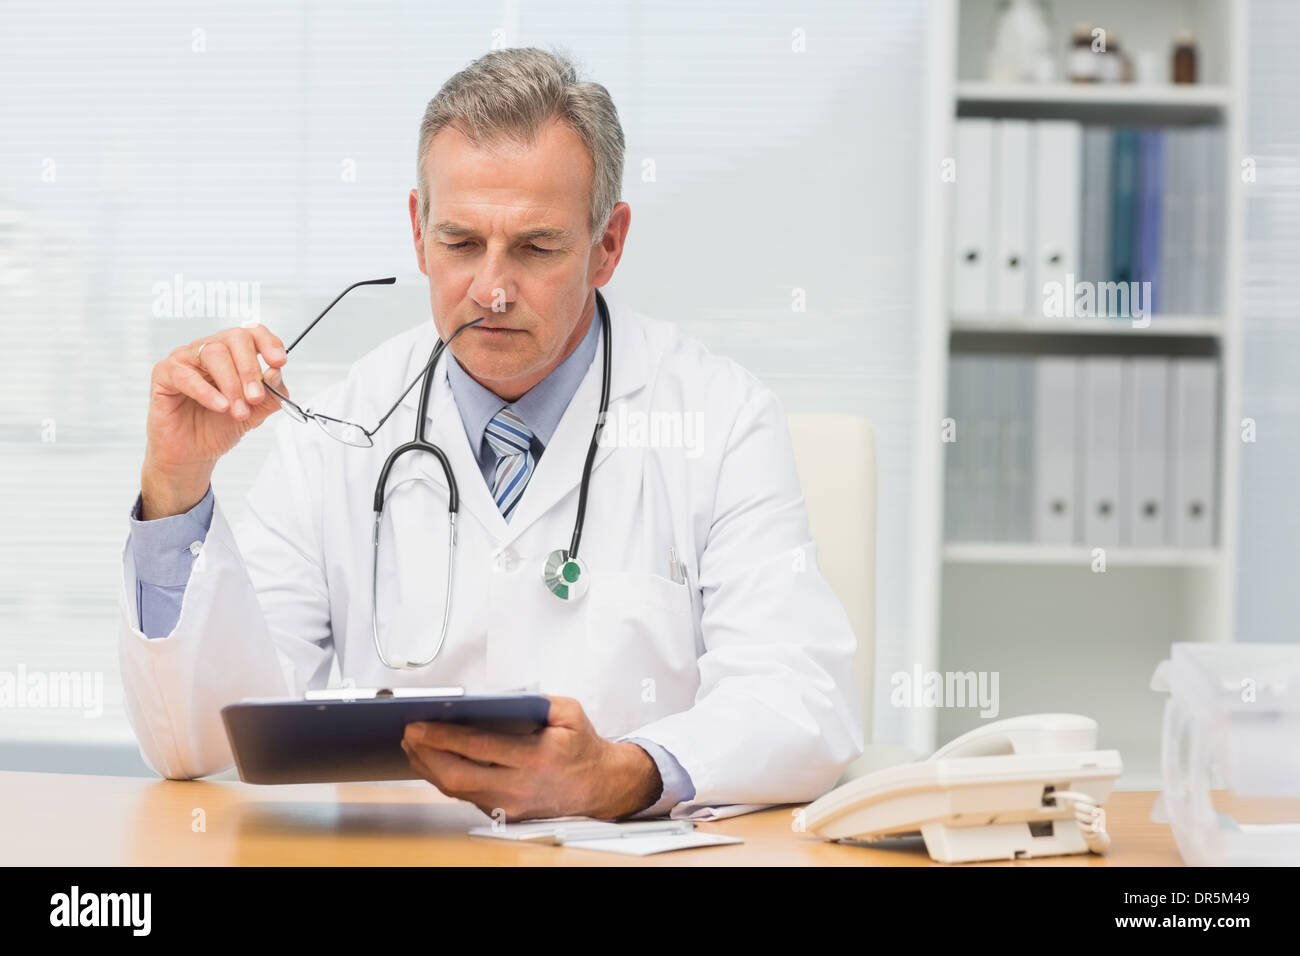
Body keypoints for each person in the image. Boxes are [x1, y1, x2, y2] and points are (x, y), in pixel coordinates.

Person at [119, 46, 861, 821]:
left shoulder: (720, 417)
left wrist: (623, 774)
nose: (493, 289)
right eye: (460, 243)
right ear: (417, 230)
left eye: (536, 247)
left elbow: (801, 698)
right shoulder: (337, 430)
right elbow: (200, 742)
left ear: (607, 244)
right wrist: (176, 488)